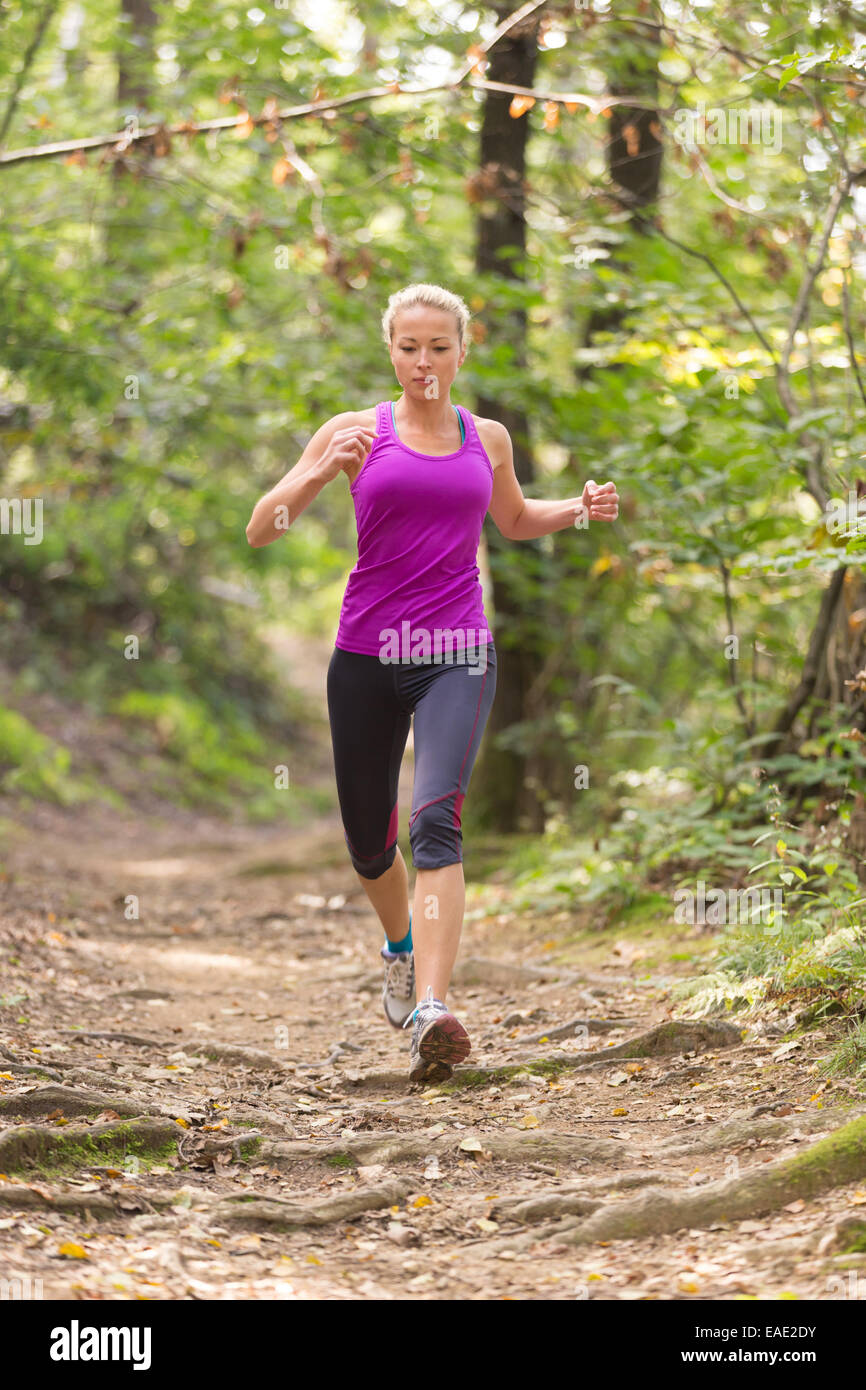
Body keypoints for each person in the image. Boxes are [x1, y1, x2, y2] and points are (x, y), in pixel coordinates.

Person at [246, 282, 619, 1082]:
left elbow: (512, 521)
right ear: (391, 350)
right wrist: (318, 476)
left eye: (439, 347)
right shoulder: (353, 430)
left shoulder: (487, 437)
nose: (424, 361)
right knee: (368, 842)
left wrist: (579, 509)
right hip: (366, 655)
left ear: (461, 350)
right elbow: (260, 528)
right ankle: (399, 948)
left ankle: (432, 1008)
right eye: (409, 347)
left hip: (457, 648)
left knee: (435, 821)